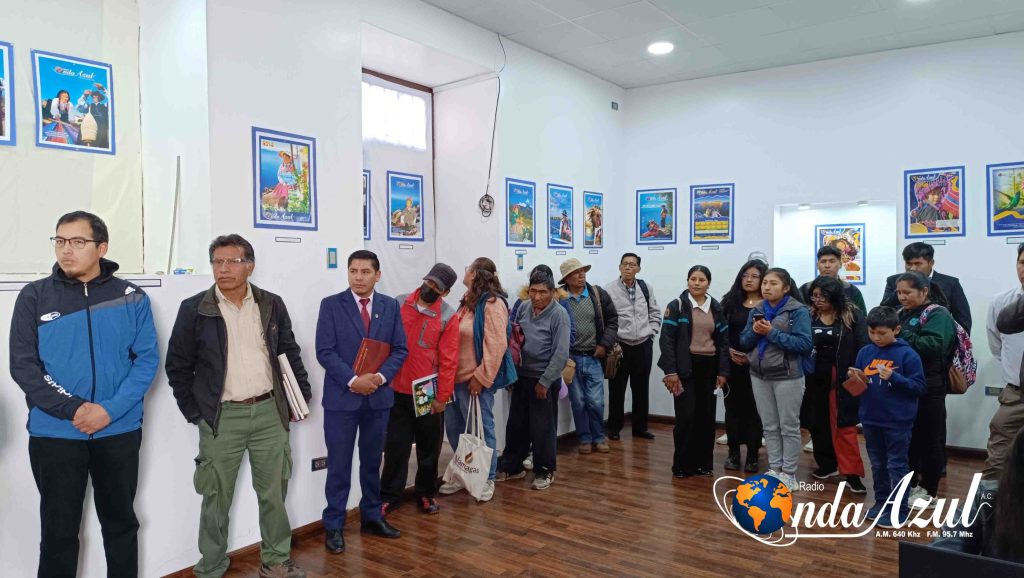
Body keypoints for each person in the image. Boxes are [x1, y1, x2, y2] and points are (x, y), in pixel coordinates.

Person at [9, 211, 158, 577]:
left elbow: (146, 361)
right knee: (59, 532)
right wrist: (75, 408)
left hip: (118, 431)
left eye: (77, 242)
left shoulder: (131, 297)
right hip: (55, 435)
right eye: (60, 241)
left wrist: (108, 411)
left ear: (101, 247)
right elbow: (24, 366)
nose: (66, 250)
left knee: (121, 525)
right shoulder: (34, 297)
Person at [165, 234, 310, 578]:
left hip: (268, 414)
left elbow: (288, 352)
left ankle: (275, 560)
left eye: (232, 261)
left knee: (274, 494)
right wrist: (196, 413)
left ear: (250, 265)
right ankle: (211, 566)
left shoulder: (271, 304)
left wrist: (297, 397)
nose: (224, 268)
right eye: (217, 261)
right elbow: (178, 366)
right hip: (220, 419)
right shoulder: (194, 308)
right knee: (215, 498)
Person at [316, 250, 409, 554]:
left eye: (365, 272)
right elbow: (325, 351)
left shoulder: (390, 306)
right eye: (353, 271)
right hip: (342, 401)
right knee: (339, 466)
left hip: (378, 399)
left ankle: (371, 516)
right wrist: (354, 380)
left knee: (371, 463)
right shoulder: (331, 305)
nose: (358, 277)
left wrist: (379, 379)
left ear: (377, 275)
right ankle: (334, 525)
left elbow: (400, 350)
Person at [380, 264, 459, 516]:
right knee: (396, 446)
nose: (430, 288)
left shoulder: (448, 315)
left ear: (444, 293)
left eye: (437, 287)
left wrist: (442, 397)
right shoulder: (399, 303)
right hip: (396, 388)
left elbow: (449, 360)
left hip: (427, 392)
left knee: (428, 447)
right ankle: (389, 496)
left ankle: (425, 493)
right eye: (429, 281)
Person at [441, 257, 514, 501]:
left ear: (474, 274)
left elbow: (497, 345)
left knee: (482, 432)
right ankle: (465, 475)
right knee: (457, 431)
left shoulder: (492, 304)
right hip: (454, 381)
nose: (465, 272)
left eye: (467, 268)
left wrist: (481, 378)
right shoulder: (467, 302)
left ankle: (486, 478)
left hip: (475, 383)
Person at [496, 268, 570, 490]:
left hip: (543, 379)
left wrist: (545, 382)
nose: (537, 297)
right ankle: (513, 466)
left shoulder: (559, 315)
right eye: (533, 291)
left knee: (543, 427)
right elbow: (513, 341)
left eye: (543, 292)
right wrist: (510, 373)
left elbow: (560, 354)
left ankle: (544, 470)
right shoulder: (524, 307)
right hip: (521, 376)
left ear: (553, 292)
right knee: (516, 424)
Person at [740, 268, 812, 491]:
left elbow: (804, 344)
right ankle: (775, 468)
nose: (766, 287)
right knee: (769, 426)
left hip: (787, 376)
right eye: (765, 283)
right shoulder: (758, 308)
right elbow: (744, 341)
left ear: (786, 287)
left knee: (788, 427)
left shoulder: (797, 311)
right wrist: (755, 331)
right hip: (759, 375)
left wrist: (771, 332)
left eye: (772, 283)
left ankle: (789, 473)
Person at [853, 306, 926, 527]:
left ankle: (900, 509)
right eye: (872, 333)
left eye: (882, 333)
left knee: (896, 465)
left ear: (897, 329)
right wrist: (855, 378)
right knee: (877, 464)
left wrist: (896, 377)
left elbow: (920, 387)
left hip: (897, 420)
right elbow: (859, 385)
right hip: (870, 418)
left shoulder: (907, 354)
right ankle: (881, 502)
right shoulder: (865, 352)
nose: (876, 338)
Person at [659, 265, 729, 477]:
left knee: (706, 418)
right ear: (687, 281)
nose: (696, 283)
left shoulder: (716, 307)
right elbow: (666, 341)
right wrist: (670, 372)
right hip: (684, 369)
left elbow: (724, 343)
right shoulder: (677, 305)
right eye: (693, 279)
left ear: (708, 283)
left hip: (708, 368)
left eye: (701, 280)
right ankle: (681, 465)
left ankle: (703, 464)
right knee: (686, 417)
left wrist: (723, 372)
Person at [895, 271, 956, 509]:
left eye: (907, 292)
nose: (902, 297)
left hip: (930, 386)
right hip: (904, 384)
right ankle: (910, 485)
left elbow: (934, 346)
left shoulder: (938, 314)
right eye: (899, 292)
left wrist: (901, 335)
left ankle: (929, 490)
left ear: (924, 292)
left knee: (931, 437)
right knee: (908, 438)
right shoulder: (901, 313)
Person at [804, 276, 868, 493]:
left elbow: (863, 346)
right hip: (812, 379)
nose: (818, 299)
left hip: (842, 379)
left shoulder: (852, 315)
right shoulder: (808, 315)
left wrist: (857, 371)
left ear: (835, 296)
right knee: (817, 424)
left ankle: (852, 473)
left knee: (844, 427)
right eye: (814, 295)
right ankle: (827, 465)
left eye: (823, 295)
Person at [559, 258, 618, 454]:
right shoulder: (561, 298)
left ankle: (599, 437)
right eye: (576, 272)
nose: (581, 275)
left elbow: (612, 321)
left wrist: (604, 344)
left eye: (583, 271)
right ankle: (584, 438)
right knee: (578, 401)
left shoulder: (597, 294)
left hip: (594, 356)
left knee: (596, 401)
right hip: (571, 359)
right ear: (566, 278)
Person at [604, 253, 661, 441]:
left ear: (638, 269)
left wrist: (652, 331)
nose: (628, 267)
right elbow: (605, 319)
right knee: (617, 388)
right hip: (620, 346)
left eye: (632, 264)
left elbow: (655, 311)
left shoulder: (645, 288)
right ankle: (614, 427)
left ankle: (640, 427)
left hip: (643, 345)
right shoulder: (609, 290)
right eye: (625, 264)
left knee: (641, 388)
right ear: (619, 267)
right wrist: (611, 341)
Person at [720, 260, 766, 472]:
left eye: (754, 276)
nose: (748, 280)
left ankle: (753, 455)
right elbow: (720, 332)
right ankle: (733, 452)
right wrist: (729, 350)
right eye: (745, 275)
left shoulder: (768, 304)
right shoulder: (730, 302)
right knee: (732, 409)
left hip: (758, 366)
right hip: (732, 365)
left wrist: (751, 356)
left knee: (755, 411)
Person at [983, 245, 1024, 484]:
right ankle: (985, 516)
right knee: (997, 461)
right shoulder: (1001, 303)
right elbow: (996, 345)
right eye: (1022, 262)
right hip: (1015, 395)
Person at [881, 242, 971, 332]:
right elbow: (883, 311)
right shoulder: (893, 281)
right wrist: (900, 289)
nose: (912, 268)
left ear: (931, 263)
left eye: (918, 264)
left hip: (938, 339)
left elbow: (963, 320)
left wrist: (952, 343)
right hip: (901, 339)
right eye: (908, 264)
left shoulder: (950, 283)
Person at [799, 245, 866, 312]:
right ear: (817, 265)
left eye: (832, 261)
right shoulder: (805, 289)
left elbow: (862, 319)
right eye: (823, 261)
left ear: (840, 264)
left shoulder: (852, 291)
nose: (827, 266)